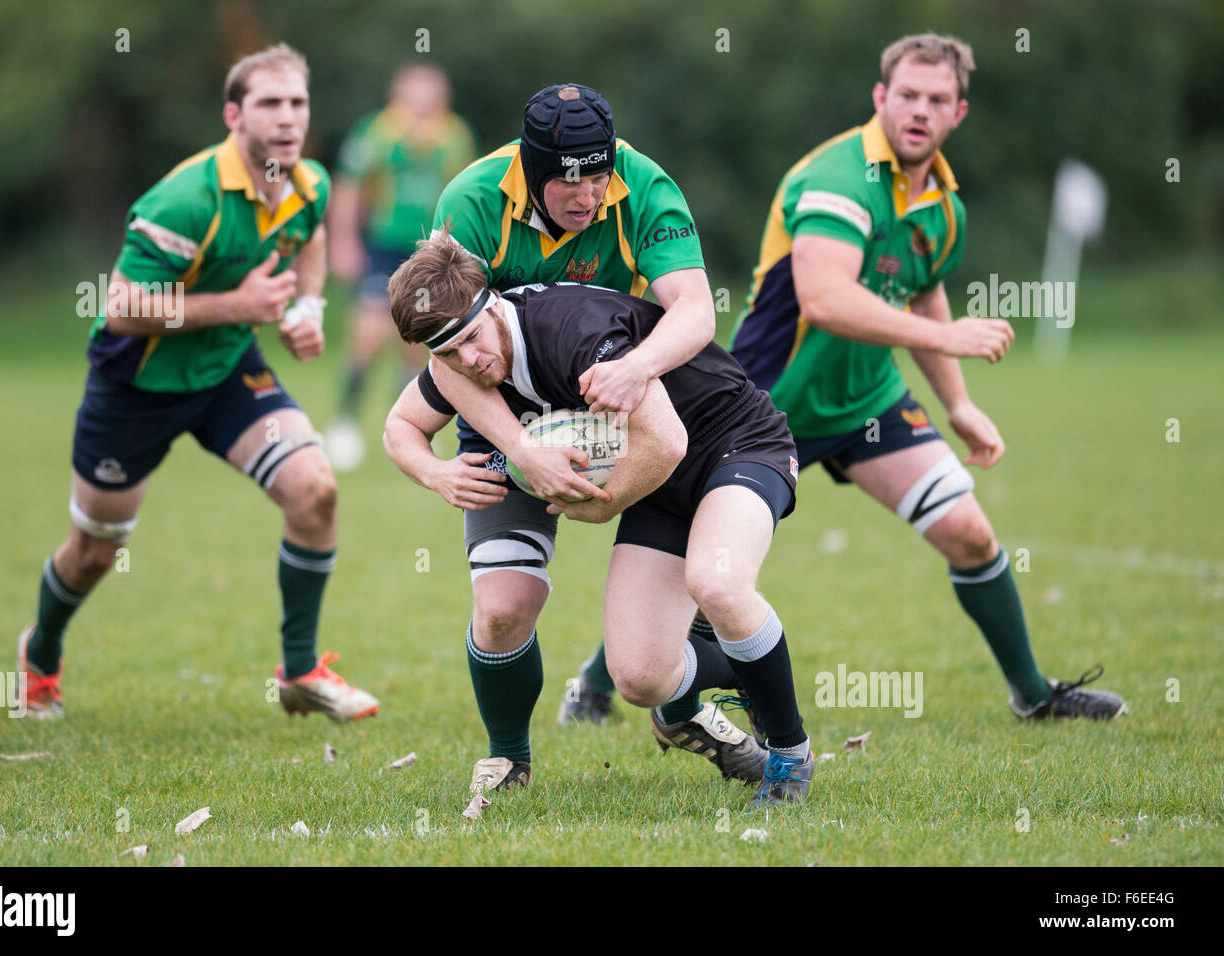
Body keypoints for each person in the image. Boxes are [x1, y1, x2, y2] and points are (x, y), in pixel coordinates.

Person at [724, 33, 1126, 719]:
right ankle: (603, 682)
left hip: (866, 403)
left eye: (937, 100)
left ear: (957, 114)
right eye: (907, 95)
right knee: (708, 572)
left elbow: (923, 290)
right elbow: (826, 299)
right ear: (881, 98)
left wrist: (959, 403)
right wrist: (946, 337)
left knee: (970, 533)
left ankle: (1032, 696)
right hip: (768, 406)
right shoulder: (840, 179)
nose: (919, 110)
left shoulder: (943, 204)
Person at [14, 44, 377, 723]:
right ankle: (41, 656)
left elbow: (314, 241)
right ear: (234, 115)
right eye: (270, 103)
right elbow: (122, 308)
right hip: (137, 385)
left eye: (297, 103)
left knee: (315, 490)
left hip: (226, 371)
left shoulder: (308, 183)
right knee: (95, 551)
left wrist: (306, 309)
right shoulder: (185, 198)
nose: (288, 118)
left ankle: (300, 671)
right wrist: (239, 307)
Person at [385, 236, 813, 806]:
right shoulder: (461, 356)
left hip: (734, 444)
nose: (468, 363)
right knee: (638, 676)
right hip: (660, 481)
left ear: (491, 305)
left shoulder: (572, 332)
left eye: (470, 341)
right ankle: (747, 670)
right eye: (447, 355)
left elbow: (666, 439)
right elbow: (400, 428)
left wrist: (603, 503)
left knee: (717, 581)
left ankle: (790, 757)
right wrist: (438, 474)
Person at [408, 84, 754, 786]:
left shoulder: (644, 185)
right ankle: (509, 758)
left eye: (598, 176)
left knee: (672, 626)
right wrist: (521, 450)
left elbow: (694, 311)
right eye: (569, 181)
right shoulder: (470, 203)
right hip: (506, 412)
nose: (588, 196)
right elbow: (448, 355)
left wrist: (637, 370)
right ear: (531, 172)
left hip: (616, 404)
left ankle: (680, 700)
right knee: (505, 609)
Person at [324, 64, 475, 471]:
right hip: (382, 248)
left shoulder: (454, 136)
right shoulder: (374, 134)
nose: (422, 110)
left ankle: (411, 434)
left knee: (415, 345)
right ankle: (345, 423)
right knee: (368, 334)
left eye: (431, 102)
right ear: (397, 99)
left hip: (426, 253)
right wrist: (342, 242)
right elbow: (349, 189)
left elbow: (461, 193)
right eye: (415, 101)